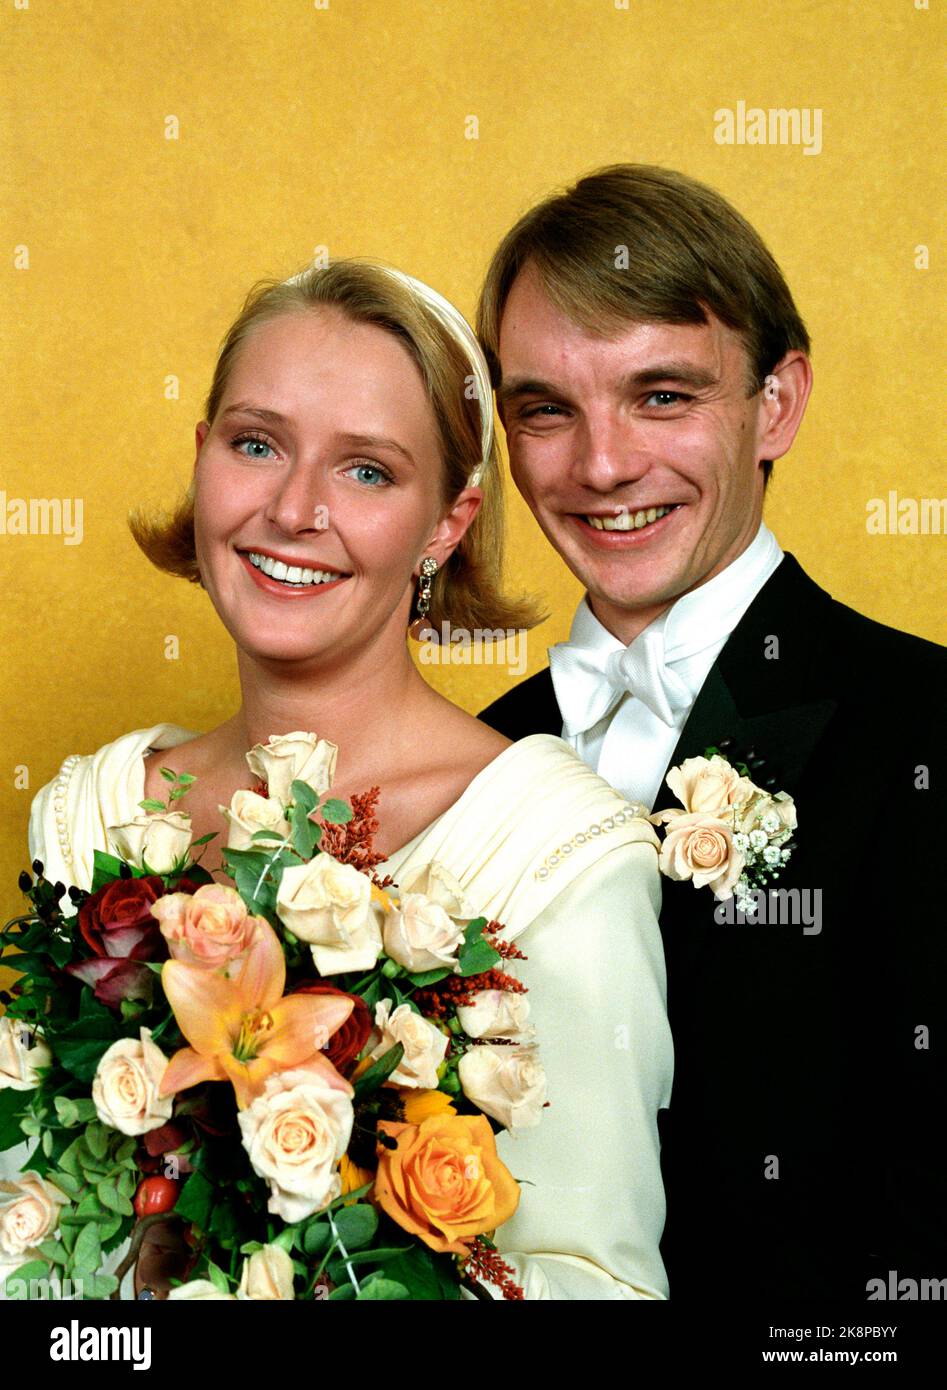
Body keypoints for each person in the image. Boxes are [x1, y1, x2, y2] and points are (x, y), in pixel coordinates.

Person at [9, 257, 672, 1300]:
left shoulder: (556, 852)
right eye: (257, 444)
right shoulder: (89, 814)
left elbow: (601, 1287)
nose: (292, 508)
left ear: (446, 524)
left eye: (365, 470)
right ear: (202, 459)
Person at [477, 164, 947, 1300]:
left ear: (774, 403)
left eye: (661, 396)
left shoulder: (919, 724)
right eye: (547, 408)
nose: (601, 465)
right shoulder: (472, 761)